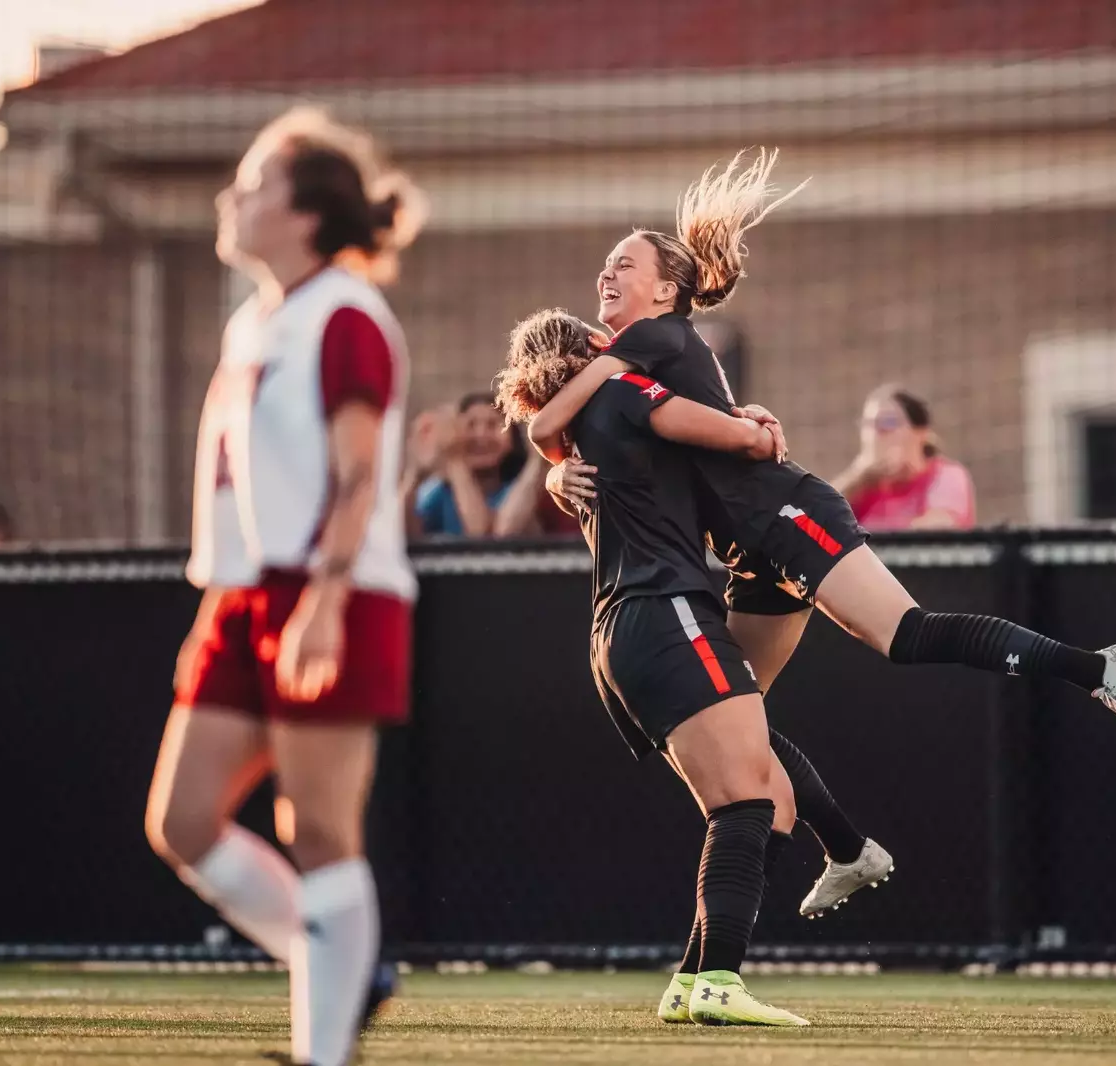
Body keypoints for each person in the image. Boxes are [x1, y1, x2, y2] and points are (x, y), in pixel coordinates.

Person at [530, 148, 1116, 745]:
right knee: (731, 719)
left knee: (907, 635)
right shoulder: (646, 359)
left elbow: (545, 424)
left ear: (666, 290)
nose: (605, 273)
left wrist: (572, 423)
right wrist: (561, 474)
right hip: (748, 548)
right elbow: (606, 445)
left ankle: (1097, 669)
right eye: (607, 264)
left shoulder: (646, 341)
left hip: (782, 517)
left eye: (624, 264)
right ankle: (810, 831)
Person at [144, 106, 423, 1066]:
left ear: (306, 215)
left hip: (334, 592)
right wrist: (217, 605)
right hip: (249, 595)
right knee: (183, 821)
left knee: (319, 831)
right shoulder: (256, 321)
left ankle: (324, 1047)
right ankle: (350, 970)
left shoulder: (345, 313)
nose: (233, 196)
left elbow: (359, 476)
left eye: (255, 182)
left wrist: (327, 601)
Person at [496, 309, 819, 1026]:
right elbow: (744, 441)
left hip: (625, 630)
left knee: (770, 795)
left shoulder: (576, 429)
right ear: (591, 349)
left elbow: (551, 435)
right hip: (666, 611)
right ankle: (720, 984)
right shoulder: (622, 392)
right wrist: (757, 424)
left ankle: (692, 977)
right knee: (745, 802)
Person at [834, 386, 977, 531]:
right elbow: (821, 523)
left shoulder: (945, 475)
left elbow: (940, 528)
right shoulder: (863, 488)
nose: (876, 434)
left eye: (889, 422)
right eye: (868, 425)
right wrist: (855, 479)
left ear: (921, 432)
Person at [403, 392, 530, 538]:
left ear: (513, 438)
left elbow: (482, 535)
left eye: (492, 425)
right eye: (471, 425)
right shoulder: (440, 491)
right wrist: (415, 473)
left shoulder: (521, 490)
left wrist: (455, 458)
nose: (481, 435)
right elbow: (400, 530)